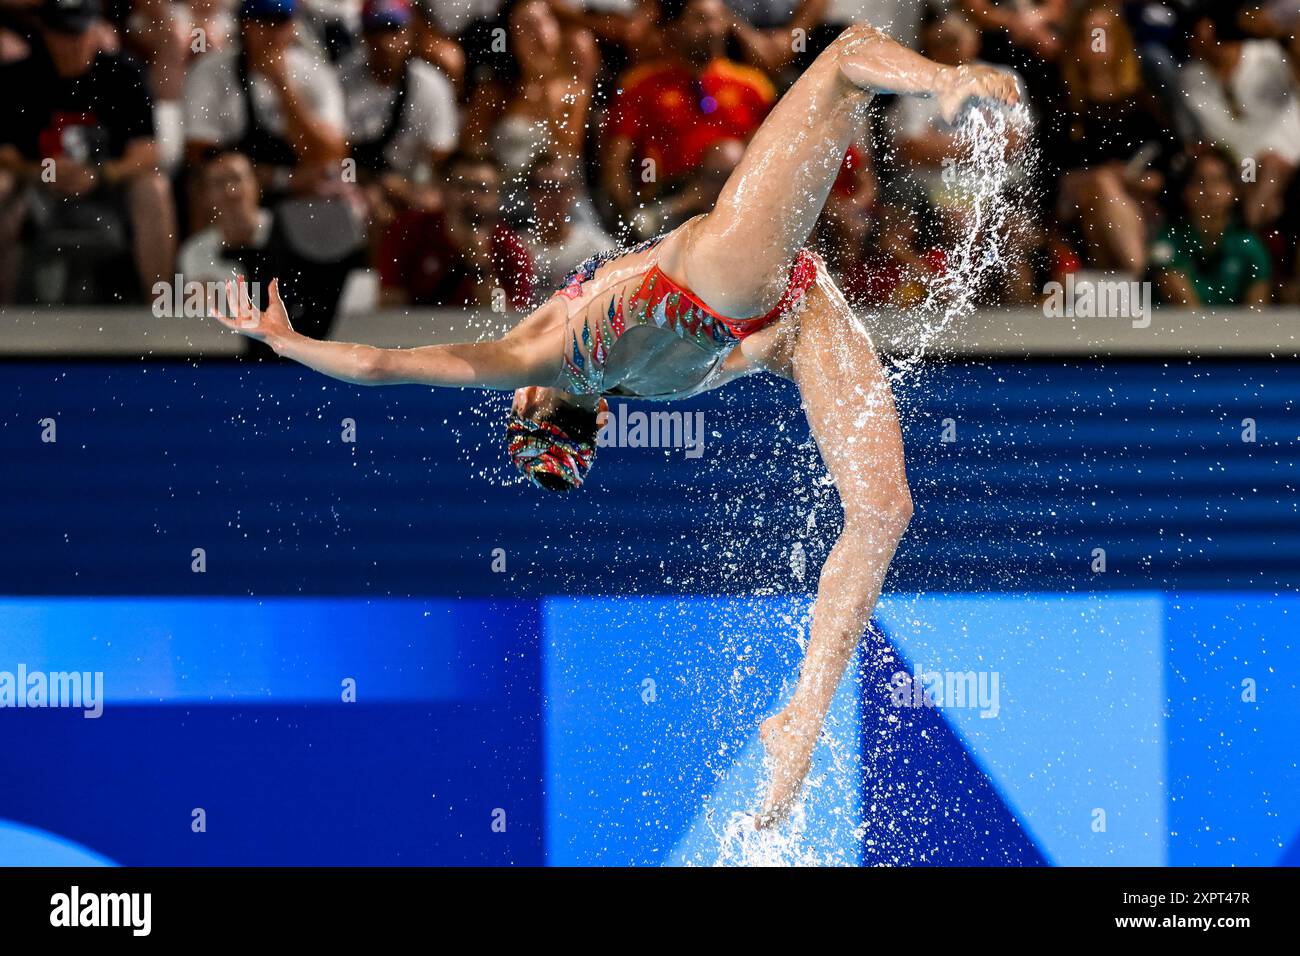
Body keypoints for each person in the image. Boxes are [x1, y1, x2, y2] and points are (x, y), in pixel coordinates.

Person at [213, 22, 1020, 827]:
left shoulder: (650, 388)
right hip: (736, 266)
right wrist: (290, 342)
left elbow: (760, 346)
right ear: (535, 406)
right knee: (850, 55)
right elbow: (388, 366)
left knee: (882, 510)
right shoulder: (541, 354)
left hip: (788, 305)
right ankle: (940, 84)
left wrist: (802, 363)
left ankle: (803, 714)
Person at [0, 0, 176, 301]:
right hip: (38, 190)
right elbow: (5, 152)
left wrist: (100, 174)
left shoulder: (124, 73)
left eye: (79, 33)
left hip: (109, 188)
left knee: (154, 188)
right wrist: (43, 171)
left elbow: (149, 151)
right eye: (61, 33)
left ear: (96, 31)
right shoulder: (18, 78)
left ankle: (159, 307)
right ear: (46, 33)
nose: (71, 43)